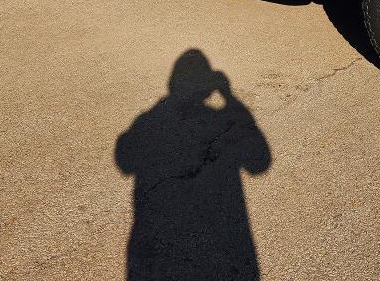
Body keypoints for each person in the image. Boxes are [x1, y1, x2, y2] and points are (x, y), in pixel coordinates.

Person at [115, 50, 271, 281]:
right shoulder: (218, 121)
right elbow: (259, 162)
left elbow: (125, 160)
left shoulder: (148, 121)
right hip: (217, 243)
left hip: (158, 246)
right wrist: (229, 97)